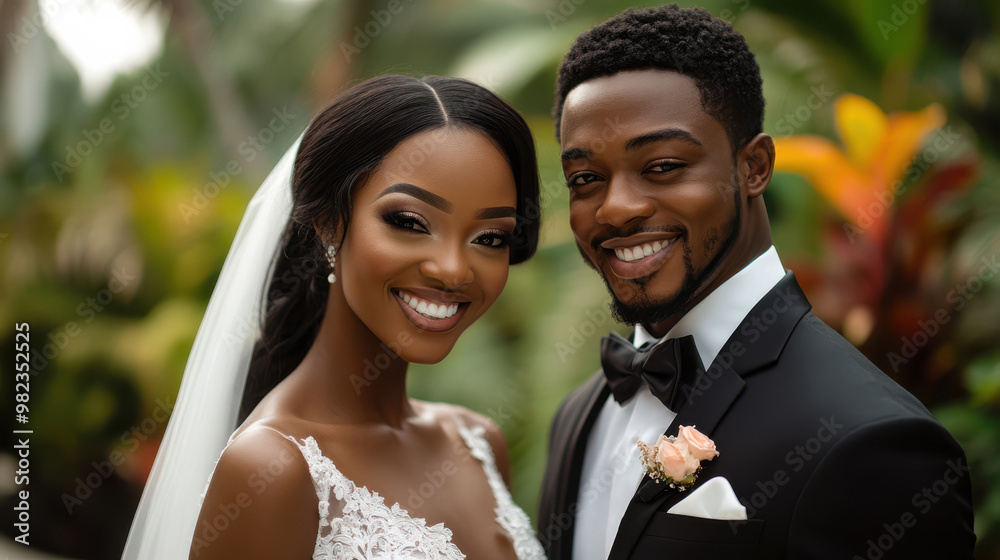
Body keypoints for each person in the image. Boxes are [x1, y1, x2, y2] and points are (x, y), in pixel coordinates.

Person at [537, 5, 975, 559]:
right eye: (585, 179)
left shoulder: (874, 442)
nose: (616, 208)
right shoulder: (578, 417)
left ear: (755, 167)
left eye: (663, 165)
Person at [122, 74, 547, 560]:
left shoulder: (479, 443)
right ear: (328, 222)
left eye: (490, 237)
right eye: (409, 223)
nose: (453, 269)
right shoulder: (273, 469)